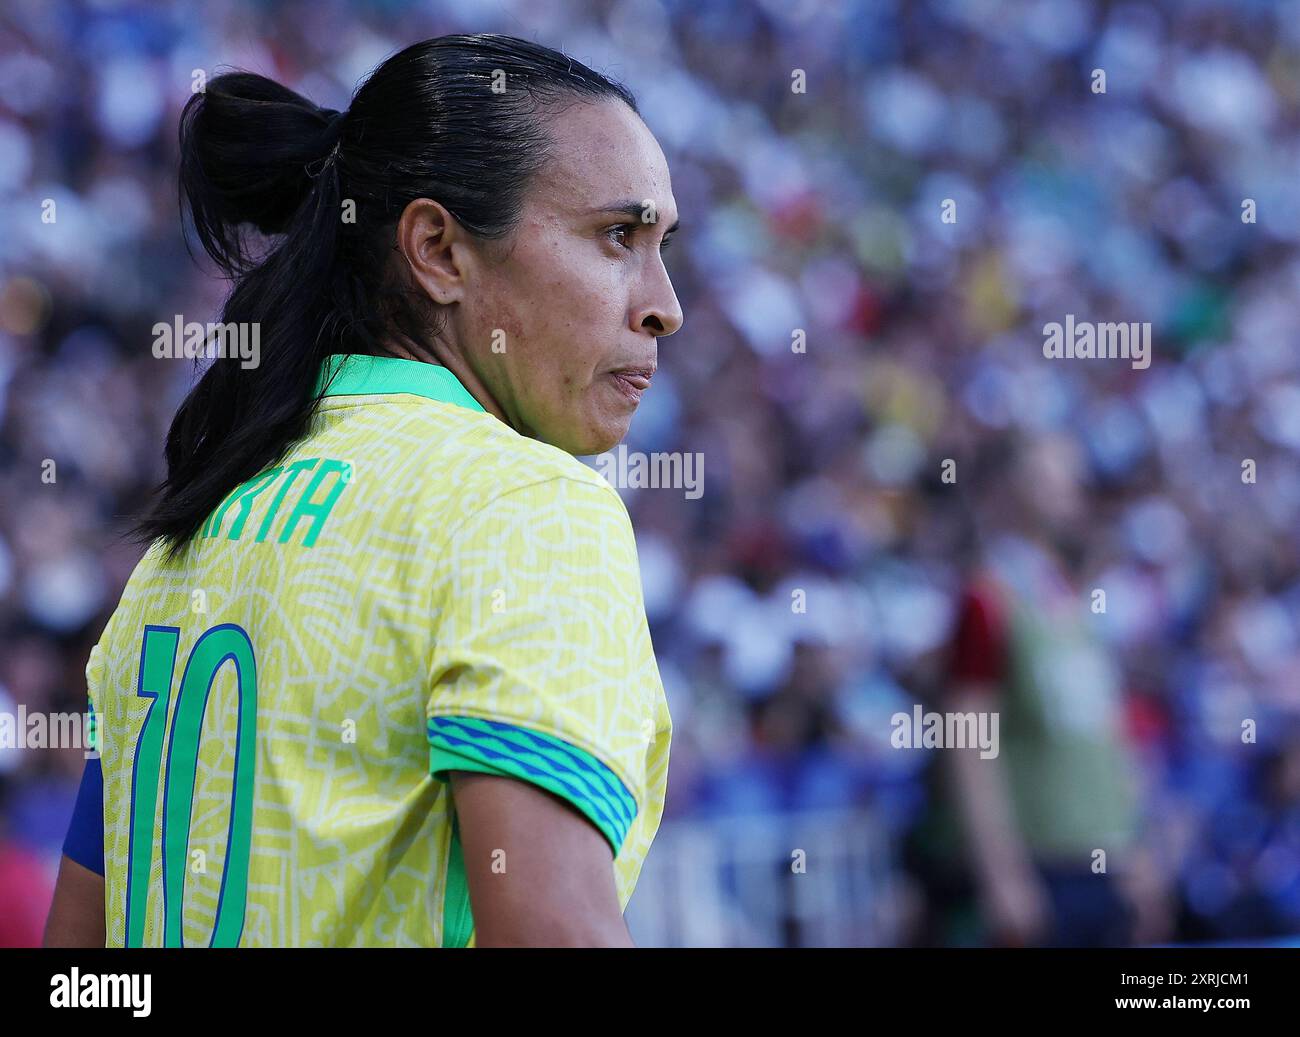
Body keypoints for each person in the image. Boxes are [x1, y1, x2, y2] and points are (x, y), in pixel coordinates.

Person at [42, 32, 682, 948]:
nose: (666, 302)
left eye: (663, 243)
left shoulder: (198, 526)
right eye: (619, 235)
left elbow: (77, 962)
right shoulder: (523, 507)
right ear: (439, 251)